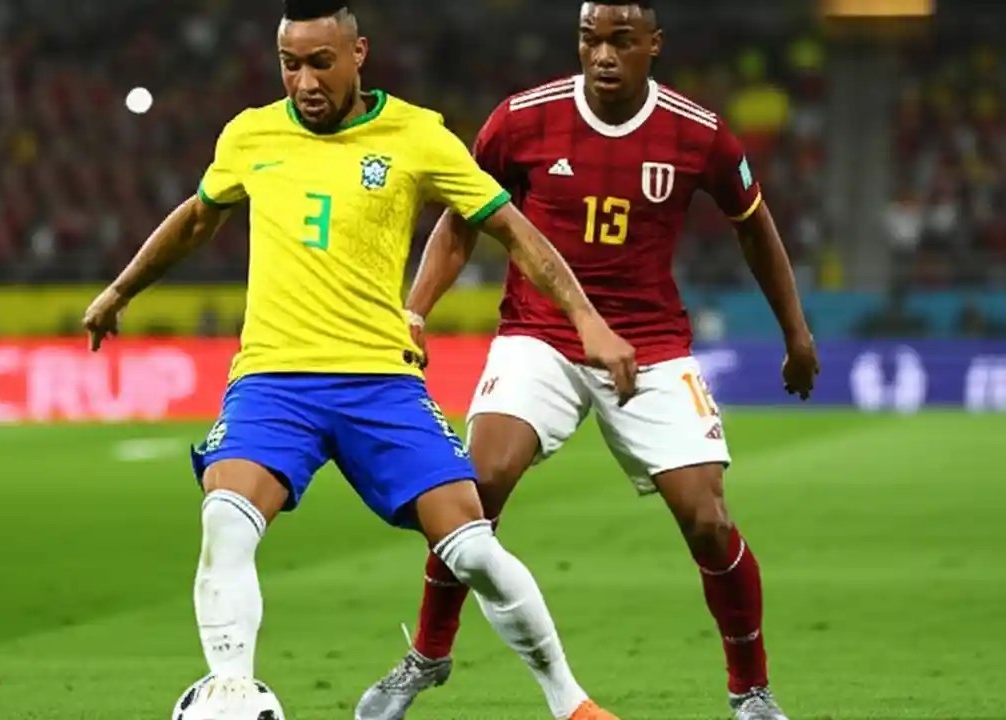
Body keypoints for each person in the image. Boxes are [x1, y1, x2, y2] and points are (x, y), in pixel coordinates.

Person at [82, 1, 638, 718]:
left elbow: (510, 228)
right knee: (225, 519)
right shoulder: (250, 134)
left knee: (472, 548)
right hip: (274, 381)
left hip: (380, 382)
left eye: (321, 63)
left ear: (358, 54)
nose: (305, 82)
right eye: (290, 65)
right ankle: (231, 693)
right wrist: (121, 290)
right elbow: (197, 219)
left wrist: (587, 319)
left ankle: (572, 704)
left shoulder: (417, 134)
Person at [356, 3, 820, 720]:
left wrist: (796, 333)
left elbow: (753, 226)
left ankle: (751, 691)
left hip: (651, 345)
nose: (602, 55)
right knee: (478, 485)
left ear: (653, 45)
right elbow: (461, 218)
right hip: (540, 335)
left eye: (620, 41)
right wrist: (414, 312)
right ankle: (428, 653)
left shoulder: (697, 133)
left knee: (707, 520)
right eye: (590, 39)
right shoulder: (522, 120)